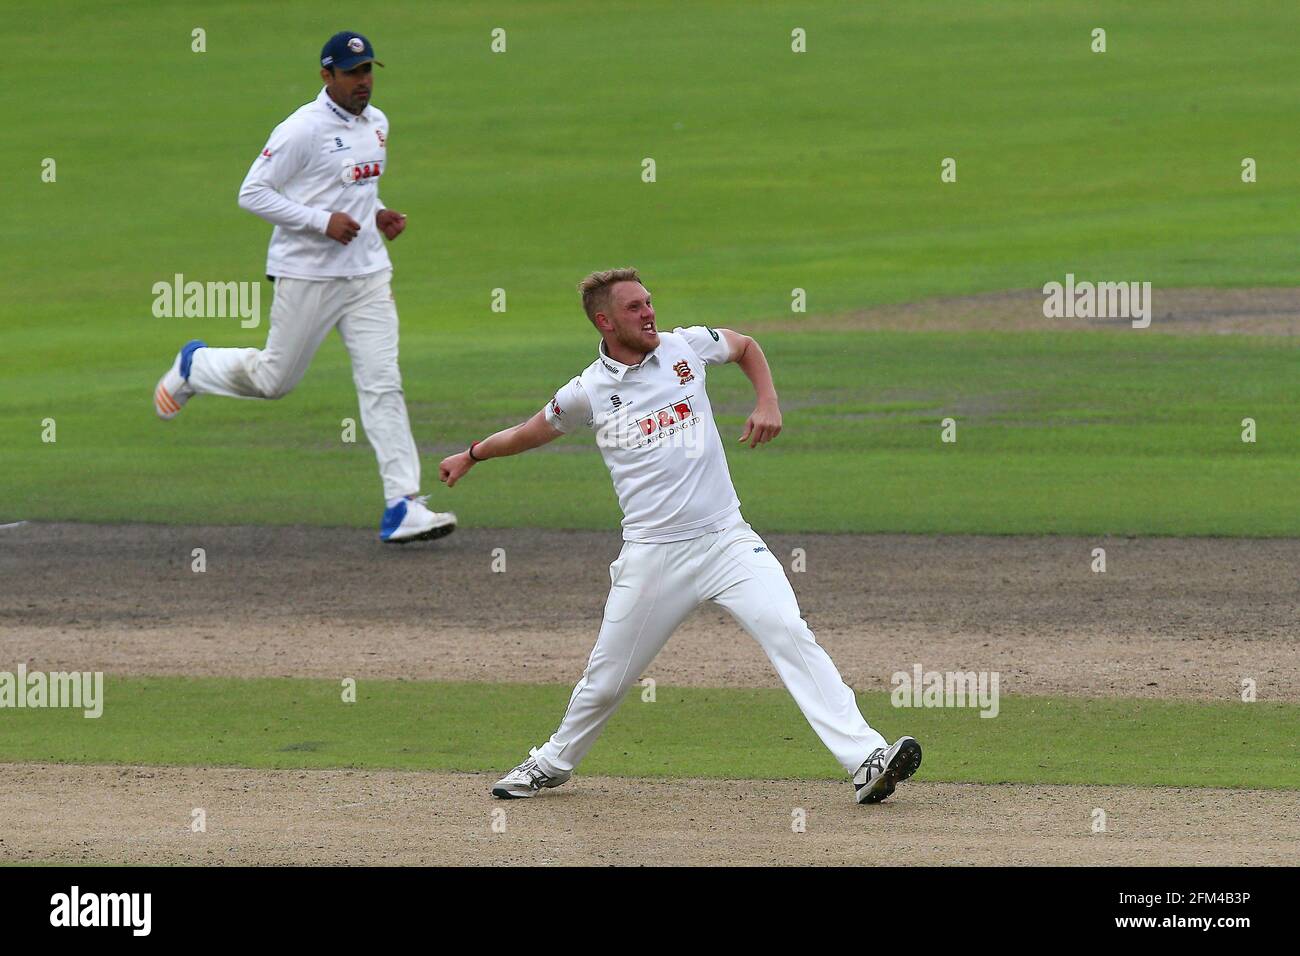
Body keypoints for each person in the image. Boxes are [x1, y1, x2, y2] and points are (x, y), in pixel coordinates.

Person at [438, 268, 921, 804]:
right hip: (654, 555)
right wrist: (473, 454)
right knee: (608, 679)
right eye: (634, 308)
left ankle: (866, 760)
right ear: (605, 321)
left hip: (727, 539)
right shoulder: (587, 392)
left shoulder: (685, 346)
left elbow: (745, 346)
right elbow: (527, 433)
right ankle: (550, 762)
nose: (649, 314)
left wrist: (768, 402)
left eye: (649, 303)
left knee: (788, 630)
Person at [152, 31, 455, 544]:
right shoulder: (301, 130)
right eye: (352, 73)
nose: (364, 82)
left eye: (368, 71)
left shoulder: (378, 123)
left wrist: (377, 213)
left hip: (368, 274)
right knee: (276, 381)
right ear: (326, 76)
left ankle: (402, 504)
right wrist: (320, 222)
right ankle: (195, 365)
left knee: (383, 384)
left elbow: (359, 185)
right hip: (308, 272)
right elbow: (252, 194)